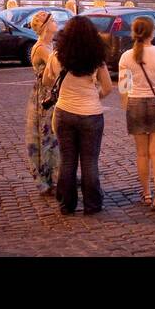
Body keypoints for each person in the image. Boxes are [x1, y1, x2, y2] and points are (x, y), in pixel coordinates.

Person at [44, 15, 113, 215]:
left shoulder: (56, 56)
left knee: (67, 160)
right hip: (91, 113)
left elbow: (48, 81)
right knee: (90, 161)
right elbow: (108, 88)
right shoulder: (95, 58)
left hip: (64, 112)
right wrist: (94, 96)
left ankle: (67, 204)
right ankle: (92, 204)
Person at [118, 15, 155, 212]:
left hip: (135, 103)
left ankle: (147, 194)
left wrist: (126, 107)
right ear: (152, 32)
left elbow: (124, 87)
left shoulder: (126, 56)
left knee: (142, 154)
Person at [25, 10, 60, 194]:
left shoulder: (50, 44)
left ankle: (57, 174)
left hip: (51, 92)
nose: (56, 22)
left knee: (54, 136)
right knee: (46, 136)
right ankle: (48, 179)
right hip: (45, 96)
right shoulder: (41, 48)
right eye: (53, 20)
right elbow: (57, 67)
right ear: (46, 26)